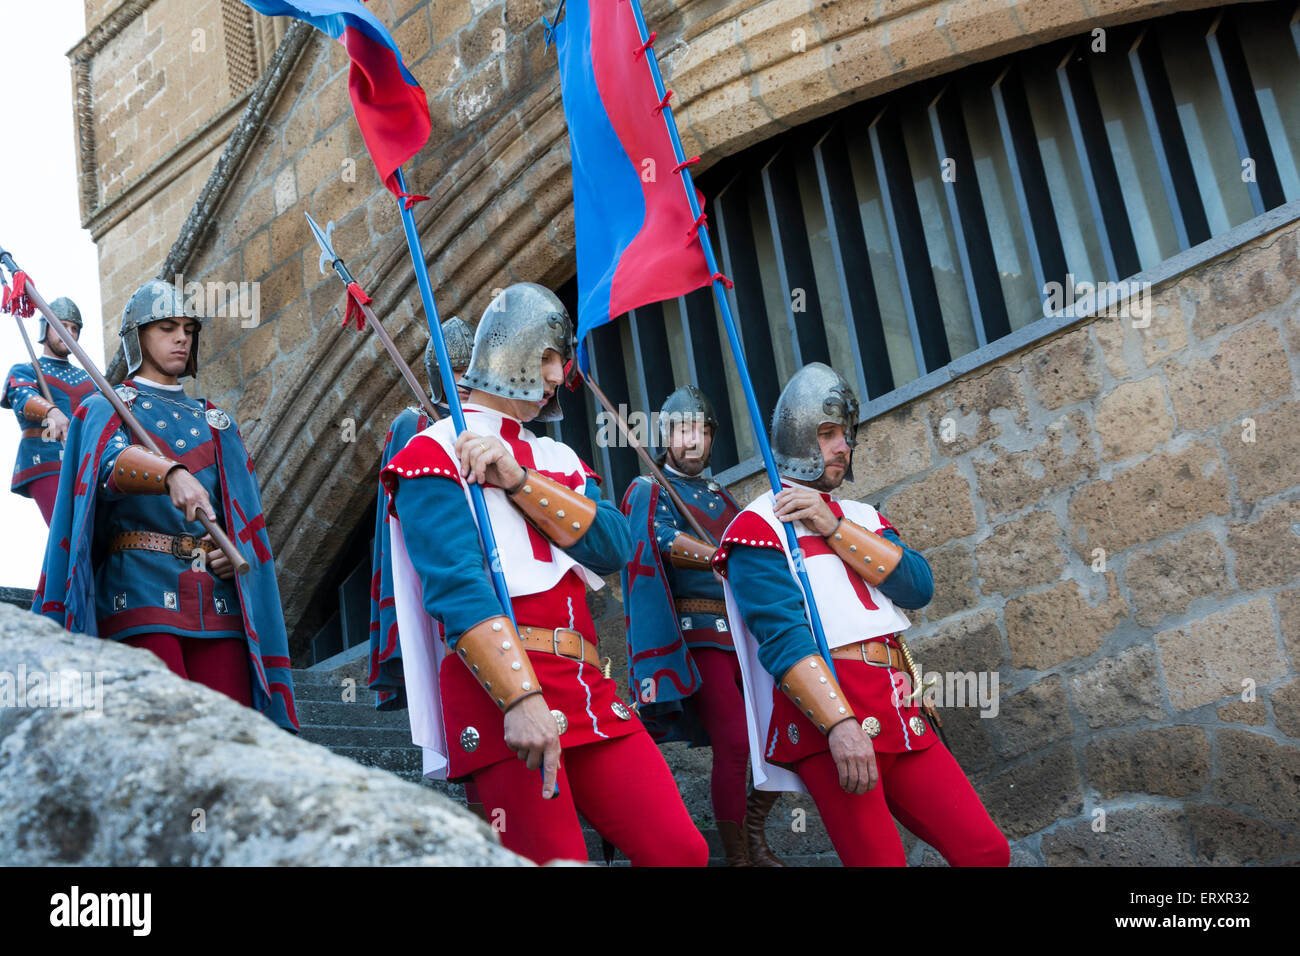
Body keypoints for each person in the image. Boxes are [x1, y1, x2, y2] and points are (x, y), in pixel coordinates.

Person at [381, 283, 706, 866]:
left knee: (679, 850)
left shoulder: (558, 458)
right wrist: (519, 699)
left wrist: (518, 480)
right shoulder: (429, 452)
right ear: (515, 351)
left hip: (585, 684)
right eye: (552, 358)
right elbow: (457, 588)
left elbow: (613, 544)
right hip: (502, 685)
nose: (561, 377)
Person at [713, 362, 1008, 866]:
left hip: (897, 702)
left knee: (985, 852)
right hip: (829, 709)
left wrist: (832, 525)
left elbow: (917, 586)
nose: (841, 446)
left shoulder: (863, 516)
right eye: (827, 434)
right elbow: (783, 639)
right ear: (797, 436)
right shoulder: (756, 526)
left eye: (845, 435)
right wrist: (839, 725)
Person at [33, 279, 297, 731]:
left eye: (188, 329)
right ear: (138, 337)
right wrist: (169, 474)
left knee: (232, 738)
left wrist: (234, 553)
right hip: (137, 589)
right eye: (166, 327)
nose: (181, 338)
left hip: (218, 602)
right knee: (165, 737)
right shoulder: (107, 406)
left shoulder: (216, 421)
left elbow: (244, 515)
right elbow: (105, 467)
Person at [621, 385, 782, 866]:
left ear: (711, 437)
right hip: (697, 634)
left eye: (700, 431)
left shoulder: (720, 496)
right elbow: (659, 539)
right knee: (734, 741)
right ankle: (739, 856)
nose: (691, 441)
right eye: (681, 430)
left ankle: (753, 831)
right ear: (667, 436)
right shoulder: (648, 488)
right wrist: (716, 555)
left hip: (743, 635)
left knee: (782, 732)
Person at [368, 316, 473, 711]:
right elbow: (403, 514)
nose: (463, 382)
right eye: (455, 372)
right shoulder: (414, 424)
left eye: (469, 372)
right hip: (437, 566)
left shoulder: (488, 423)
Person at [0, 297, 94, 524]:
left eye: (74, 328)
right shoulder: (26, 370)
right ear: (46, 328)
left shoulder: (90, 380)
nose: (69, 332)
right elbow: (23, 397)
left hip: (87, 463)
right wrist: (51, 411)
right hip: (46, 459)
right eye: (61, 325)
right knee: (67, 533)